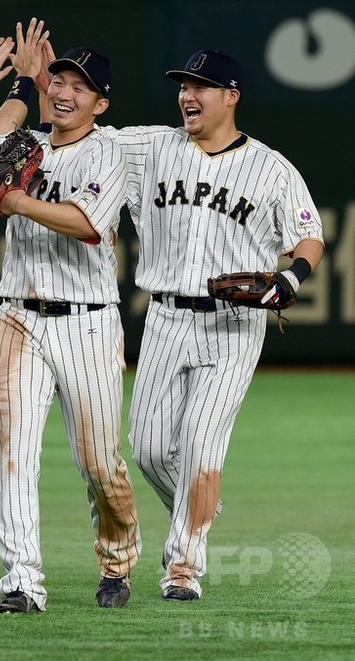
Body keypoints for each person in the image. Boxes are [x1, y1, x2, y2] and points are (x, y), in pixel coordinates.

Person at [0, 21, 141, 613]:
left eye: (80, 86)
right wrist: (4, 98)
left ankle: (117, 560)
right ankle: (22, 581)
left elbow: (86, 224)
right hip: (19, 318)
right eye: (58, 79)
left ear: (100, 103)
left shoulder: (111, 149)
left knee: (100, 462)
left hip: (89, 322)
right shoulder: (23, 143)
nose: (65, 91)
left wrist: (16, 200)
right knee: (14, 455)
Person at [114, 49, 325, 601]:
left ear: (231, 96)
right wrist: (46, 87)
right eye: (183, 84)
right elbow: (87, 134)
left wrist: (292, 279)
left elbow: (309, 234)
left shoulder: (271, 167)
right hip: (163, 317)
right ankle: (202, 500)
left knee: (203, 444)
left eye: (201, 86)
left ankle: (183, 568)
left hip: (233, 325)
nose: (188, 94)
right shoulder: (152, 148)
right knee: (150, 448)